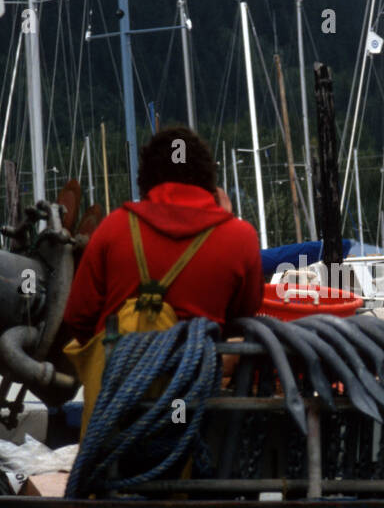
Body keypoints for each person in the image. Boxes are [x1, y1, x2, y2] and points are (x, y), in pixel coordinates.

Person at [62, 127, 263, 434]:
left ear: (146, 179)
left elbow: (78, 317)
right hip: (191, 408)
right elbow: (243, 319)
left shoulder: (113, 229)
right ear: (208, 179)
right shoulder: (241, 238)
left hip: (115, 410)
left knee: (109, 476)